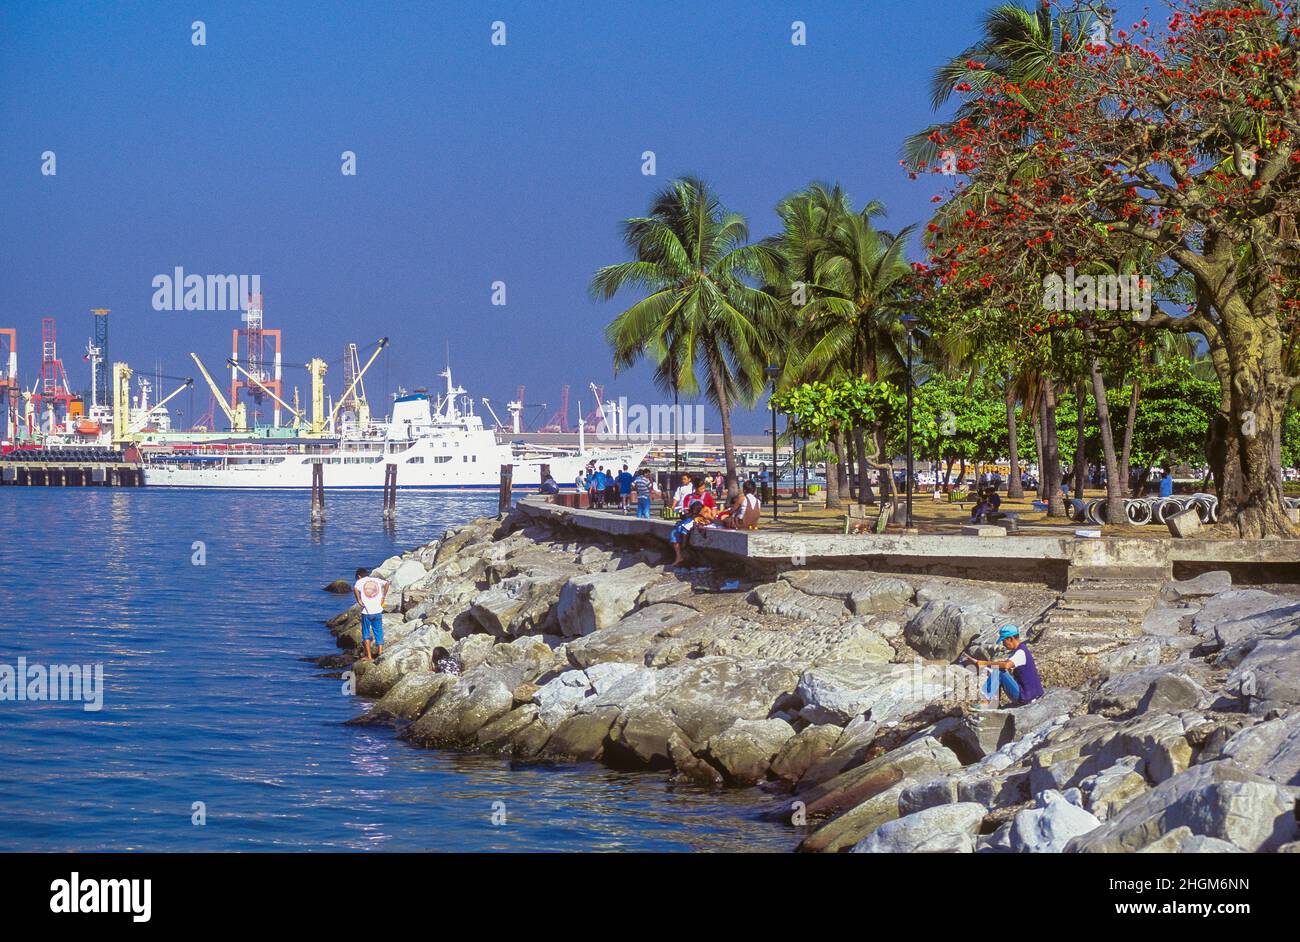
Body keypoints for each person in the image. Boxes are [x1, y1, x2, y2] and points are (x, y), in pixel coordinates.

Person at [974, 625, 1044, 706]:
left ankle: (986, 701)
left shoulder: (1020, 652)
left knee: (998, 671)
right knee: (1000, 672)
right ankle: (993, 702)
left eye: (1004, 641)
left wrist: (985, 663)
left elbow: (1006, 665)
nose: (1003, 644)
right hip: (1033, 694)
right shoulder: (1023, 649)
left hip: (1026, 696)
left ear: (1010, 639)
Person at [352, 567, 389, 661]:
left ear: (359, 576)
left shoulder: (359, 582)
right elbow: (387, 583)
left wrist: (359, 600)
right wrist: (383, 597)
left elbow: (355, 589)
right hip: (378, 611)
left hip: (367, 612)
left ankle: (369, 656)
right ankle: (380, 652)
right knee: (378, 631)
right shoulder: (375, 580)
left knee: (366, 633)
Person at [670, 502, 702, 567]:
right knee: (674, 534)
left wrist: (684, 544)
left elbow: (685, 529)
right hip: (681, 530)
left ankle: (681, 557)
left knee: (683, 543)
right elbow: (684, 517)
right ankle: (679, 557)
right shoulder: (689, 514)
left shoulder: (695, 517)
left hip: (686, 532)